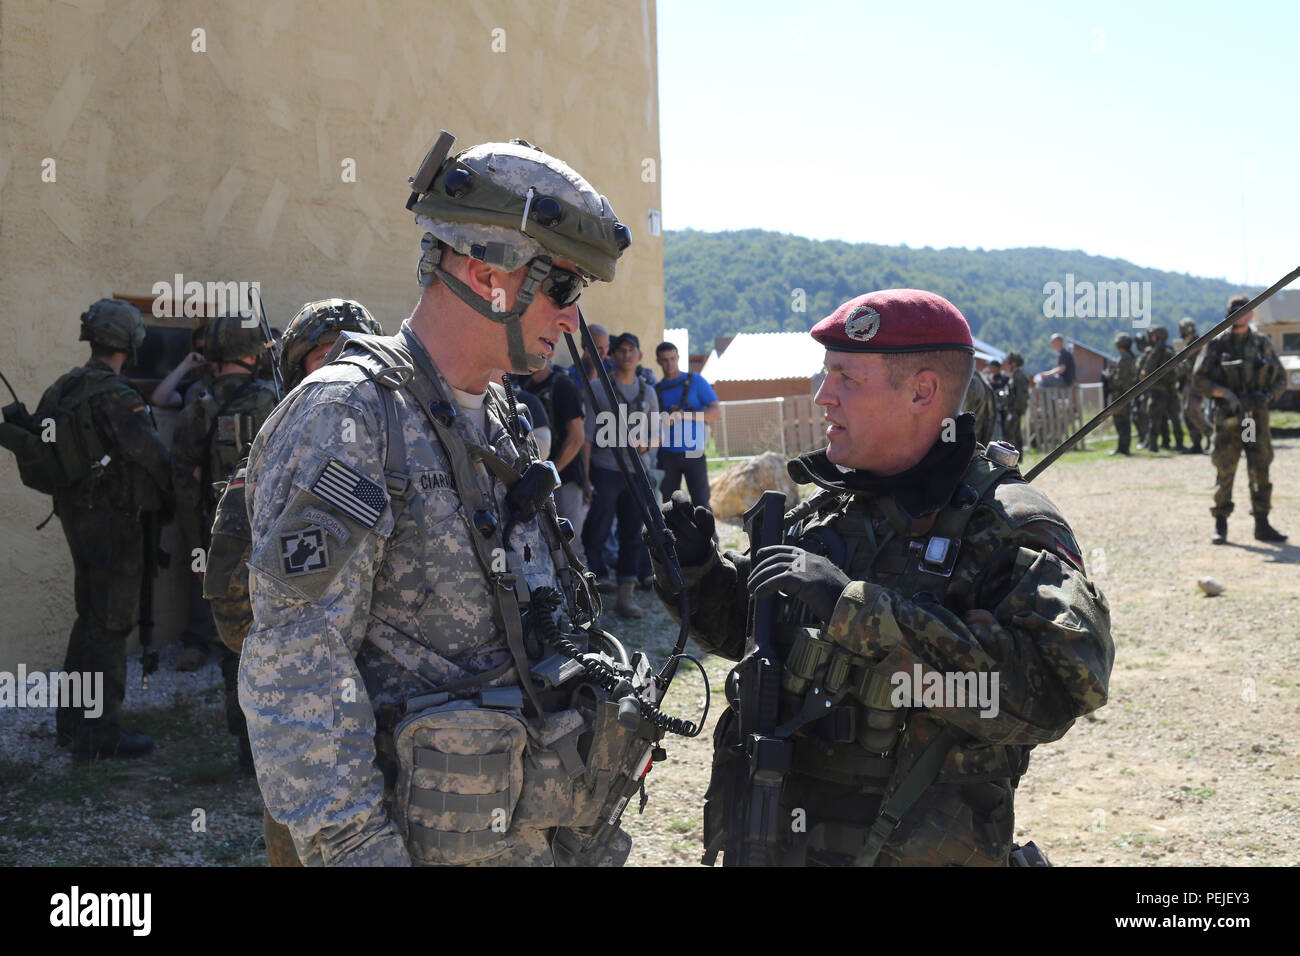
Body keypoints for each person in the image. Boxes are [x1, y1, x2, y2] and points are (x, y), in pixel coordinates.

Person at [240, 136, 642, 867]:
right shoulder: (348, 418)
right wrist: (359, 850)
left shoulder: (505, 415)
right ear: (488, 274)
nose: (572, 320)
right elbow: (297, 663)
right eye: (565, 289)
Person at [652, 289, 1113, 866]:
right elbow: (759, 640)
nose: (823, 396)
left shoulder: (1008, 525)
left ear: (922, 391)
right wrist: (697, 572)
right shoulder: (830, 510)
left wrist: (853, 609)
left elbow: (1055, 693)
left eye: (846, 378)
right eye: (826, 376)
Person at [204, 297, 382, 866]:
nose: (344, 373)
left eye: (356, 356)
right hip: (316, 746)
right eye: (325, 359)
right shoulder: (277, 473)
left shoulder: (428, 458)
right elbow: (236, 620)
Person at [40, 299, 172, 761]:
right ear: (131, 342)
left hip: (76, 517)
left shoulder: (63, 388)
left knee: (90, 617)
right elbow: (155, 458)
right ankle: (101, 735)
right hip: (115, 524)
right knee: (112, 624)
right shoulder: (117, 397)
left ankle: (71, 723)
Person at [171, 314, 279, 768]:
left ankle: (244, 742)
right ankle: (272, 738)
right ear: (253, 354)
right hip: (271, 539)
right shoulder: (275, 400)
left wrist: (196, 535)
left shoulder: (198, 404)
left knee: (231, 640)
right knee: (273, 631)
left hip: (218, 538)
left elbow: (180, 474)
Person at [1193, 294, 1288, 544]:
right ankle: (1220, 524)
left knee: (1260, 468)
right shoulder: (1217, 344)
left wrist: (1268, 397)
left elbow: (1280, 377)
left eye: (1242, 311)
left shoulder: (1260, 342)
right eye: (1234, 311)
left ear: (1251, 314)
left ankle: (1262, 524)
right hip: (1228, 419)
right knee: (1225, 470)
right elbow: (1198, 380)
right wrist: (1224, 393)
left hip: (1254, 420)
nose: (1238, 315)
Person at [581, 332, 659, 617]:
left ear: (639, 355)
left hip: (637, 472)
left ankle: (626, 596)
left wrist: (645, 444)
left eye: (631, 350)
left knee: (633, 533)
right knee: (597, 529)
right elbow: (587, 436)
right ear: (611, 357)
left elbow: (657, 435)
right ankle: (592, 587)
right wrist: (586, 477)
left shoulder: (648, 392)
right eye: (621, 350)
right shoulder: (597, 389)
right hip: (605, 469)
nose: (626, 355)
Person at [517, 356, 587, 560]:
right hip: (534, 479)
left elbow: (577, 438)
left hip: (565, 476)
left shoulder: (564, 385)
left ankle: (580, 590)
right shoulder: (522, 384)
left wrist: (549, 475)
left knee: (570, 541)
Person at [653, 341, 719, 508]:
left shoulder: (695, 381)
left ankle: (709, 535)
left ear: (678, 358)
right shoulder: (655, 390)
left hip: (694, 451)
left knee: (701, 502)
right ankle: (675, 535)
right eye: (665, 360)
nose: (669, 364)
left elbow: (716, 412)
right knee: (670, 504)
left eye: (672, 358)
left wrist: (684, 415)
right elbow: (651, 423)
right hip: (666, 453)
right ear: (658, 361)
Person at [1136, 325, 1185, 452]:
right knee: (1169, 418)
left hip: (1159, 390)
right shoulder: (1168, 350)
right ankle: (1174, 443)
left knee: (1157, 419)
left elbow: (1145, 371)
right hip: (1165, 389)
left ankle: (1154, 445)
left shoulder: (1155, 351)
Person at [1174, 317, 1210, 455]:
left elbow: (1194, 366)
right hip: (1187, 384)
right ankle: (1196, 443)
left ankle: (1210, 434)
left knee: (1192, 411)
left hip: (1196, 383)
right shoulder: (1188, 344)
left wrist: (1182, 366)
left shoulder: (1197, 344)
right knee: (1187, 414)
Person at [1102, 332, 1138, 456]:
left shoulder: (1124, 359)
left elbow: (1119, 379)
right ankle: (1123, 447)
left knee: (1121, 422)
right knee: (1123, 422)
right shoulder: (1131, 357)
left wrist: (1109, 376)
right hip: (1126, 394)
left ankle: (1123, 448)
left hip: (1120, 394)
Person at [1002, 352, 1029, 450]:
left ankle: (1012, 457)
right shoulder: (1015, 376)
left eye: (1007, 362)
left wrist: (1015, 411)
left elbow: (1021, 396)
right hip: (1014, 410)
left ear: (1013, 364)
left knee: (1011, 434)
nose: (1005, 365)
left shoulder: (1019, 376)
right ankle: (1017, 458)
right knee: (1015, 434)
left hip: (1014, 410)